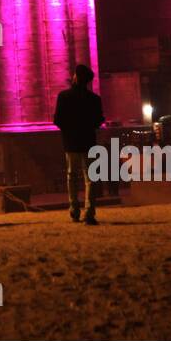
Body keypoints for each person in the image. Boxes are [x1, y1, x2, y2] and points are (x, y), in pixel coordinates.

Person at [53, 64, 104, 225]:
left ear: (76, 77)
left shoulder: (64, 96)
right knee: (90, 179)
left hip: (70, 142)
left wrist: (68, 130)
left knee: (71, 176)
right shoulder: (95, 99)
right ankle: (89, 212)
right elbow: (99, 120)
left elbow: (57, 120)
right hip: (88, 141)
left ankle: (74, 209)